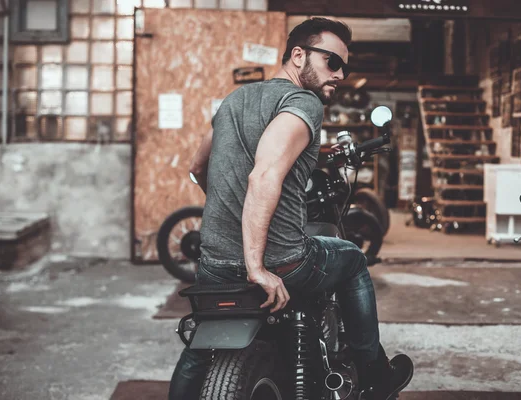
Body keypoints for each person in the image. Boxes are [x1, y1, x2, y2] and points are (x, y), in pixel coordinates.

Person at [168, 17, 414, 400]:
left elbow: (199, 167)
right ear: (298, 55)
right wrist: (257, 268)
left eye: (345, 67)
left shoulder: (236, 100)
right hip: (283, 261)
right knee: (352, 260)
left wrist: (229, 210)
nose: (340, 74)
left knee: (199, 348)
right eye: (332, 62)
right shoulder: (303, 102)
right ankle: (374, 376)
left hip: (214, 260)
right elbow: (264, 175)